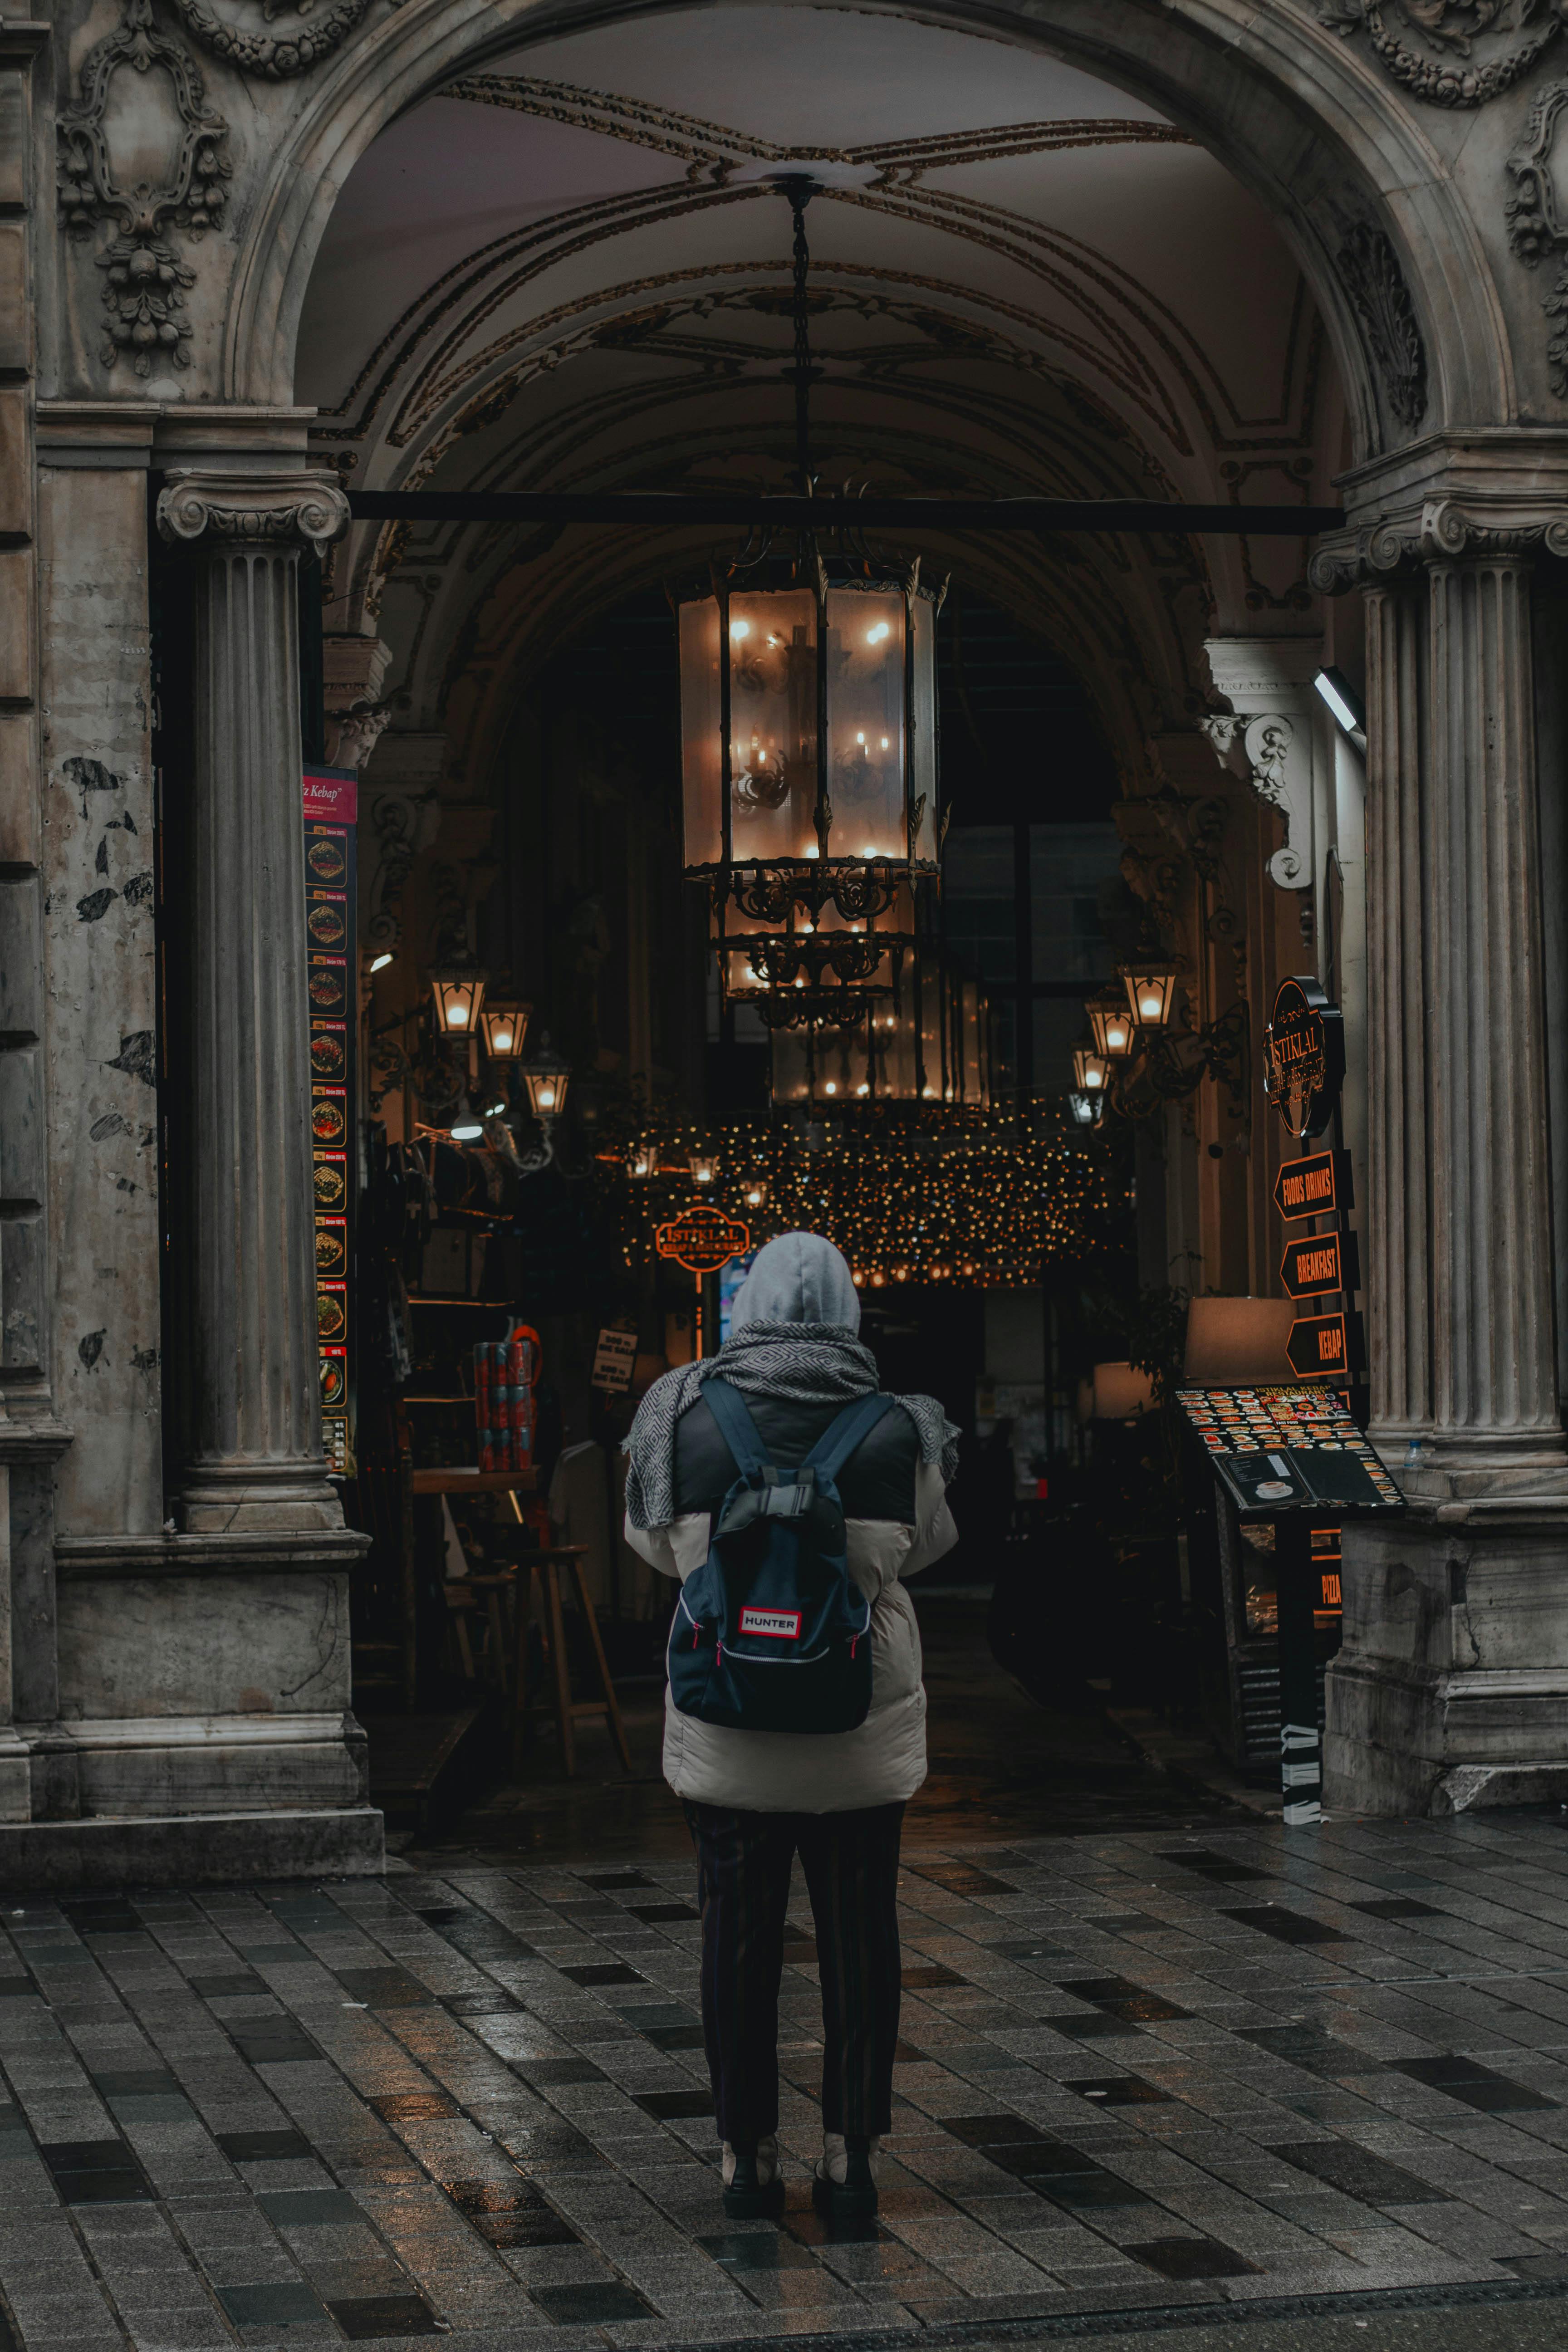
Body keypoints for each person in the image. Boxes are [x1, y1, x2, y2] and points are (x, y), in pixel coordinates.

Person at [622, 1232, 958, 2219]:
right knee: (861, 1938)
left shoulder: (681, 1417)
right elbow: (928, 1547)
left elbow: (649, 1542)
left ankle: (745, 2157)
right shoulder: (903, 1427)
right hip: (856, 1724)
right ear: (851, 1311)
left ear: (748, 1310)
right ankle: (851, 2155)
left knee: (736, 1940)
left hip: (730, 1719)